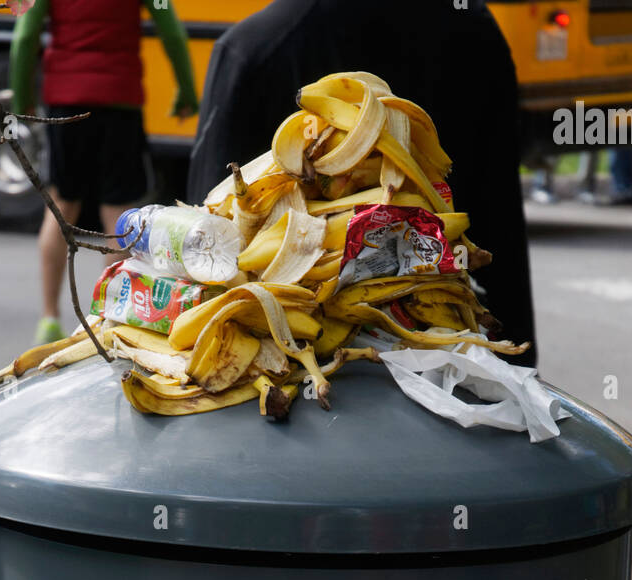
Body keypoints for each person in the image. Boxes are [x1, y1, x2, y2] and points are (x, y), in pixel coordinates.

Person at [187, 0, 537, 366]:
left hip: (286, 361)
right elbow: (500, 215)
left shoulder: (253, 47)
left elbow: (207, 241)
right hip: (464, 350)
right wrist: (518, 365)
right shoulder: (476, 31)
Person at [11, 0, 199, 344]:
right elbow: (171, 29)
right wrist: (187, 91)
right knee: (118, 216)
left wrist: (22, 99)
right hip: (119, 103)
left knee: (61, 206)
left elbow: (25, 35)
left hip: (65, 107)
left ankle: (49, 318)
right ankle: (108, 320)